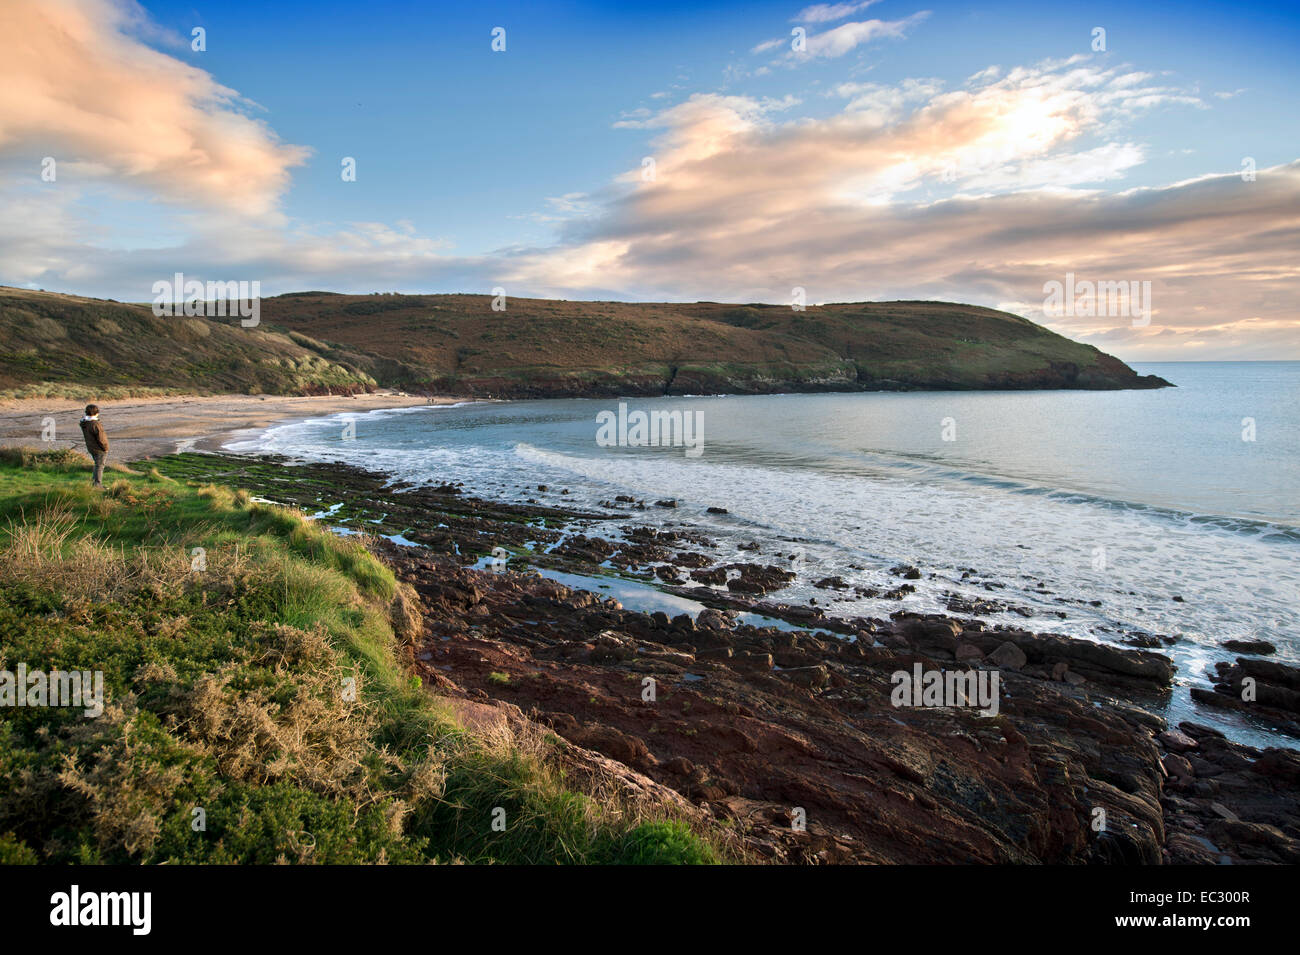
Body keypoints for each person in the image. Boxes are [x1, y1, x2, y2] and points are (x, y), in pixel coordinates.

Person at [78, 404, 110, 487]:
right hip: (98, 448)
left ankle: (95, 483)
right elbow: (101, 438)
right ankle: (97, 485)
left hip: (91, 447)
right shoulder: (95, 424)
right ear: (96, 412)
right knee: (100, 466)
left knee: (97, 465)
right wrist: (105, 448)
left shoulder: (84, 422)